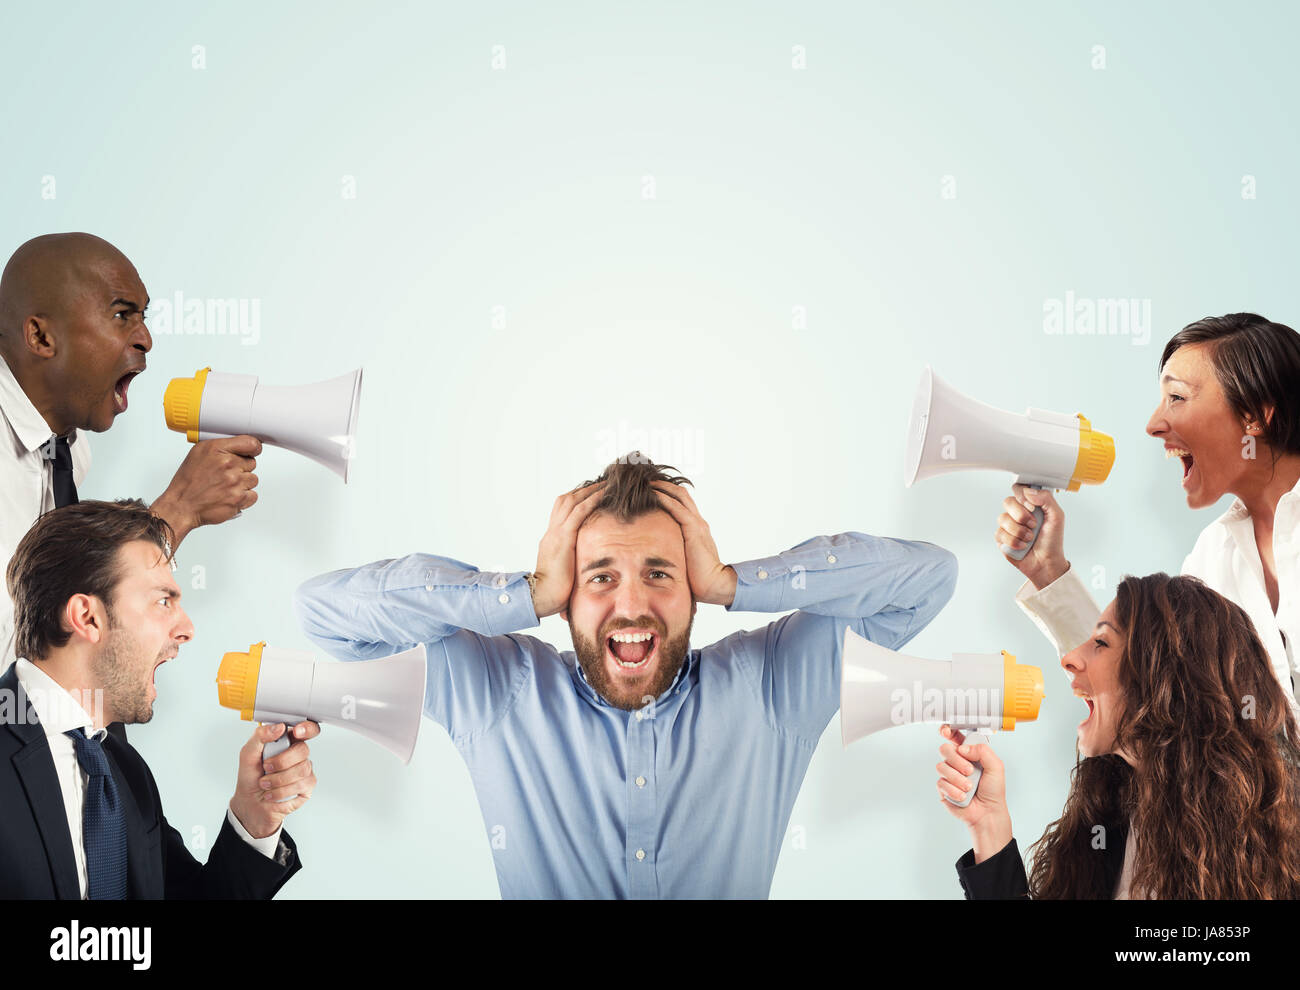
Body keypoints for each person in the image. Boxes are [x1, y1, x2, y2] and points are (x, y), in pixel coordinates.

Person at [295, 454, 958, 898]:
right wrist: (521, 594)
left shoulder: (773, 686)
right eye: (600, 577)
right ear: (566, 601)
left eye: (661, 574)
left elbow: (926, 580)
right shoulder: (497, 692)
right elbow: (327, 615)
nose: (633, 604)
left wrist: (736, 582)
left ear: (694, 592)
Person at [0, 499, 319, 898]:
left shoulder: (125, 771)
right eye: (163, 601)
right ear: (87, 617)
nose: (187, 628)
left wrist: (255, 817)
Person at [998, 313, 1300, 707]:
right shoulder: (1212, 557)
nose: (1154, 424)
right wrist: (1047, 570)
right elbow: (1153, 696)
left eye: (1177, 398)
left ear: (1254, 417)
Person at [936, 573, 1300, 899]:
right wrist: (989, 824)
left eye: (1102, 642)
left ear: (1165, 679)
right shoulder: (1114, 824)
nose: (1069, 659)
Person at [0, 232, 263, 669]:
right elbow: (23, 662)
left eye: (143, 316)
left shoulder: (68, 449)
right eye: (122, 315)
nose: (146, 338)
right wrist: (175, 514)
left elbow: (62, 605)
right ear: (41, 337)